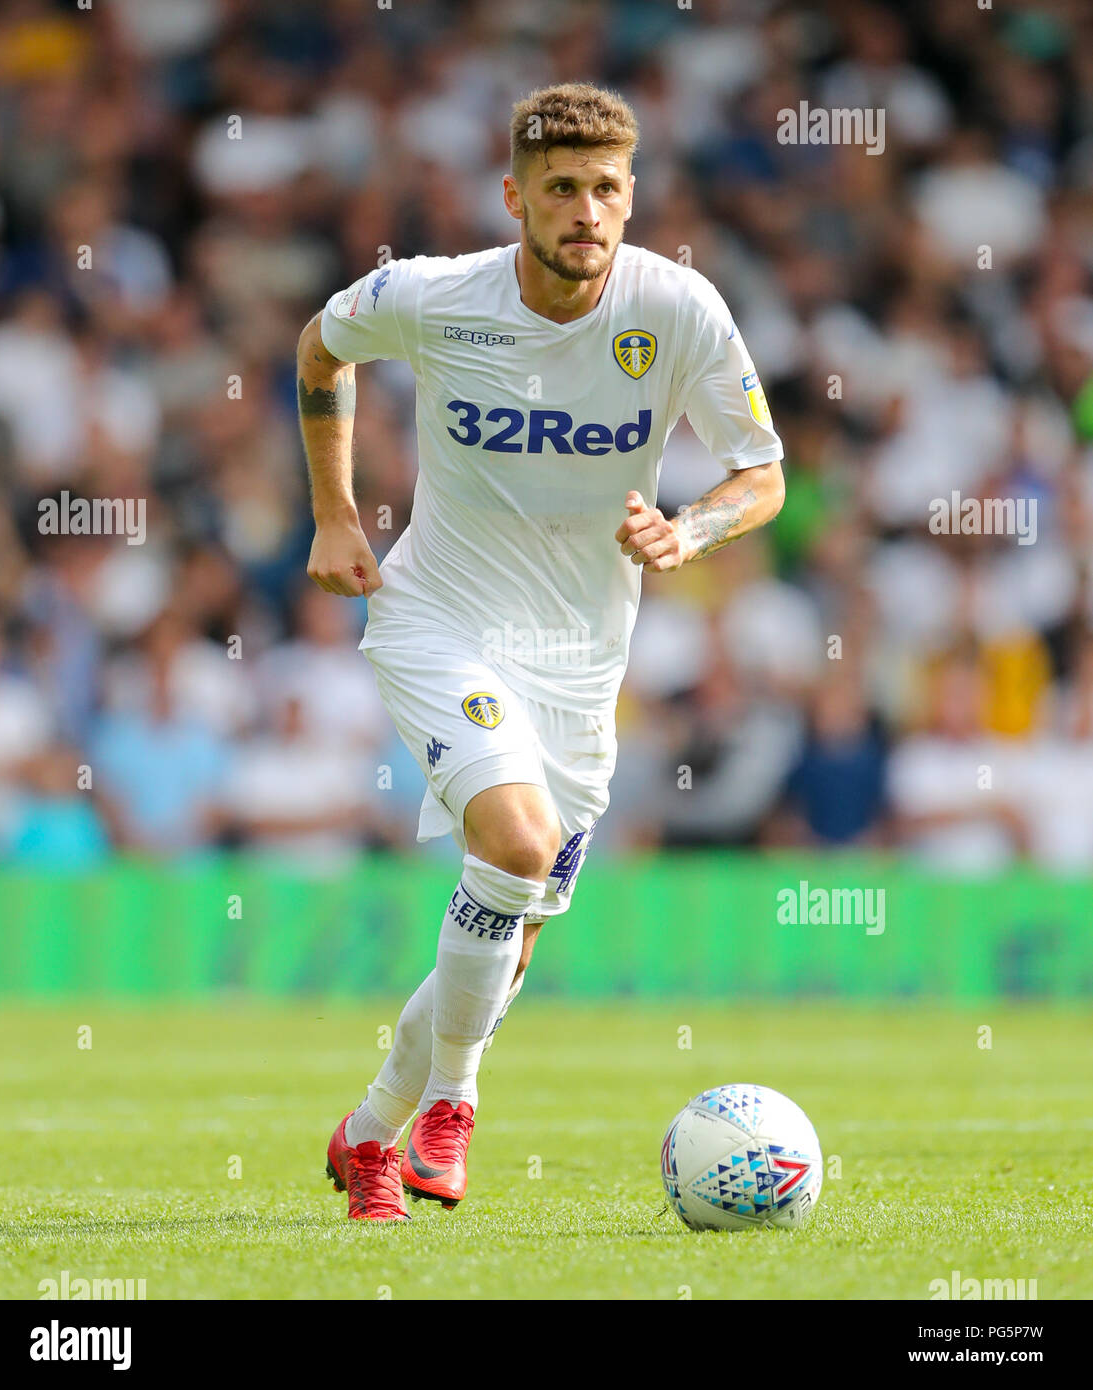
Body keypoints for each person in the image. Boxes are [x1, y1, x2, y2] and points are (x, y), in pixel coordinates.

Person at [296, 82, 785, 1221]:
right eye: (561, 188)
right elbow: (320, 349)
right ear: (514, 196)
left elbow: (761, 471)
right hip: (439, 619)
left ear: (632, 196)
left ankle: (370, 1134)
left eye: (606, 187)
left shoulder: (681, 311)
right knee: (514, 845)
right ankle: (455, 1111)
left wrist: (690, 526)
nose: (586, 209)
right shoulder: (437, 296)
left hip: (579, 664)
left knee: (504, 940)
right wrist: (334, 509)